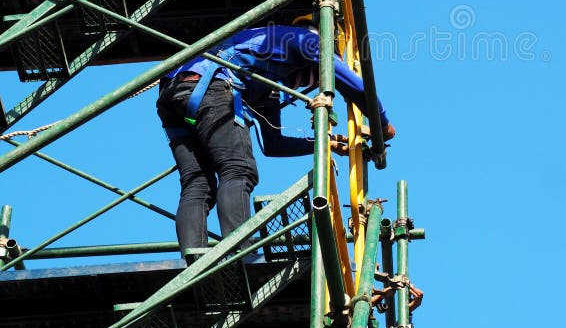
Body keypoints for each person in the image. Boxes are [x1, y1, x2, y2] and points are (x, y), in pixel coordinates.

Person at [156, 22, 395, 256]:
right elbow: (354, 85)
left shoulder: (267, 71)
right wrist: (382, 123)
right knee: (238, 169)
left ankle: (193, 258)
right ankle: (240, 254)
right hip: (210, 84)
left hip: (172, 93)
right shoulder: (306, 40)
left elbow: (273, 144)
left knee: (197, 183)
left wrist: (327, 142)